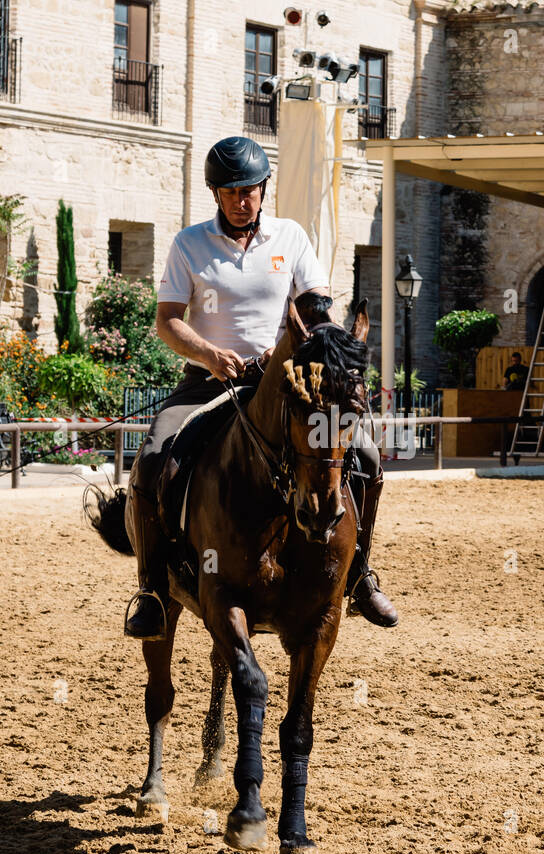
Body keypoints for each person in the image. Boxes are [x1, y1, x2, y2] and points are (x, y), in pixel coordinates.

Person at [123, 135, 398, 639]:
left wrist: (294, 348)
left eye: (249, 189)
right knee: (155, 455)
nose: (241, 199)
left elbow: (317, 310)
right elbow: (167, 321)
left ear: (263, 189)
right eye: (230, 192)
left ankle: (360, 575)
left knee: (366, 456)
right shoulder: (189, 245)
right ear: (215, 194)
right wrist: (208, 353)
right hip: (209, 384)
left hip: (288, 384)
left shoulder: (290, 238)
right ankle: (151, 592)